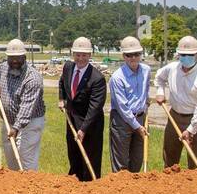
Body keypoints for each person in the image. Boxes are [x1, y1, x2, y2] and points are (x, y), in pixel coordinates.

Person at [155, 35, 197, 169]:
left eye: (190, 55)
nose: (185, 58)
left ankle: (194, 186)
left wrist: (191, 130)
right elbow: (159, 78)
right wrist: (160, 92)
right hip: (174, 116)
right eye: (182, 54)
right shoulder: (171, 69)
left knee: (196, 160)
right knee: (170, 155)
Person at [0, 38, 45, 170]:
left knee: (25, 155)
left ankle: (30, 185)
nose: (14, 61)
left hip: (30, 122)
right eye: (11, 57)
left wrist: (16, 128)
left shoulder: (33, 78)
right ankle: (15, 184)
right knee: (11, 154)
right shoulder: (2, 68)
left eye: (18, 58)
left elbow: (26, 108)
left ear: (24, 57)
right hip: (8, 121)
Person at [59, 36, 106, 181]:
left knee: (90, 157)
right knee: (73, 154)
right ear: (73, 54)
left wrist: (83, 129)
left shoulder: (97, 78)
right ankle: (75, 183)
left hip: (91, 124)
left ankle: (90, 187)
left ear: (90, 55)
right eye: (77, 55)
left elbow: (95, 107)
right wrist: (61, 99)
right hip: (72, 119)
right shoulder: (68, 67)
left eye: (84, 55)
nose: (80, 58)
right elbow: (62, 82)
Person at [108, 36, 150, 173]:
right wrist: (137, 126)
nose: (133, 58)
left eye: (136, 54)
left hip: (140, 118)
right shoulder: (117, 78)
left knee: (137, 159)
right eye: (129, 55)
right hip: (122, 120)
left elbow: (145, 90)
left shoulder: (146, 70)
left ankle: (135, 191)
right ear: (123, 56)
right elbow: (122, 107)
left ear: (141, 54)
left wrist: (145, 102)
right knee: (121, 163)